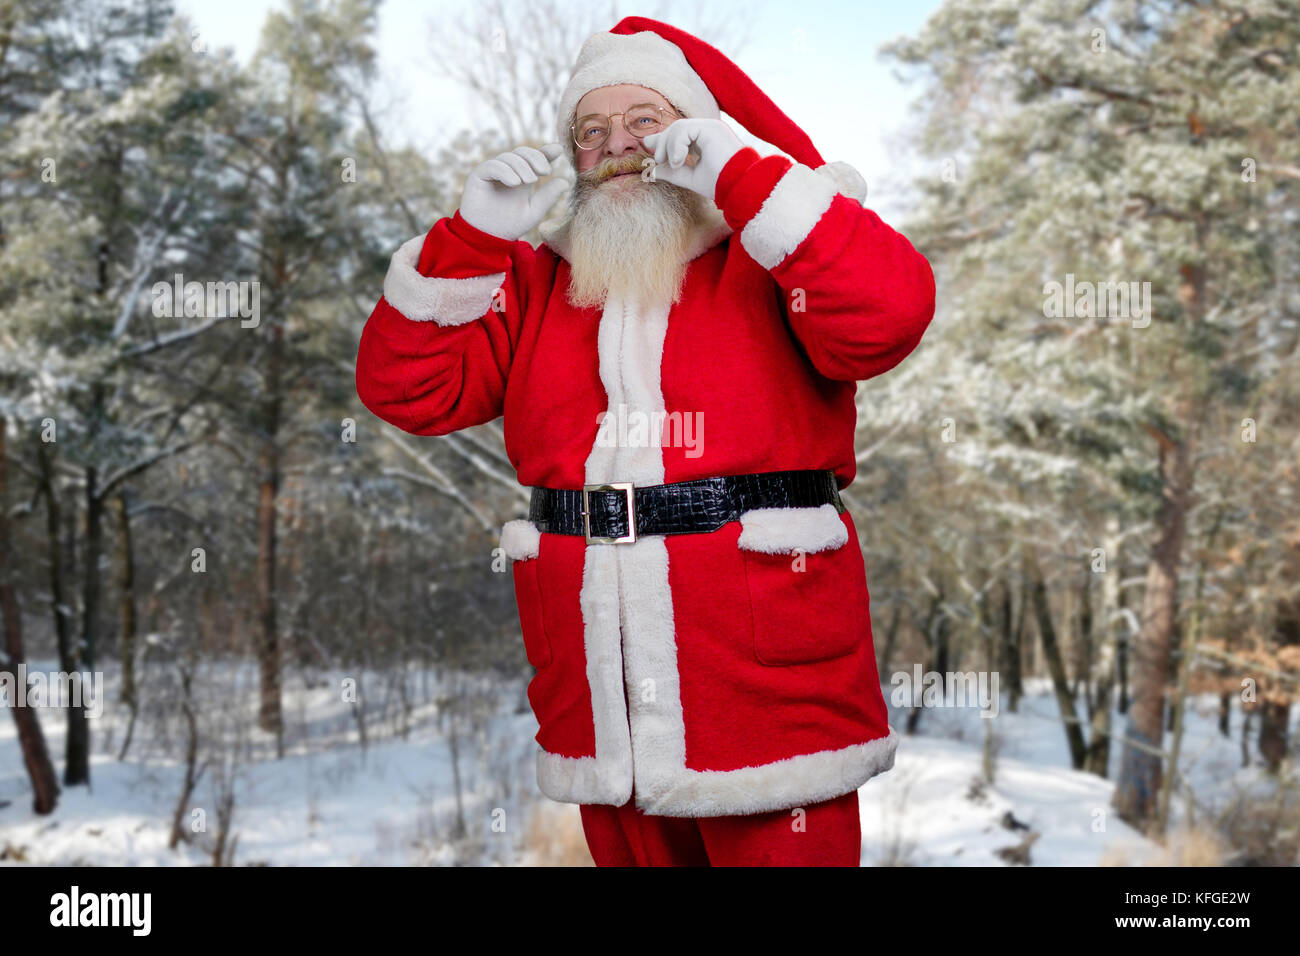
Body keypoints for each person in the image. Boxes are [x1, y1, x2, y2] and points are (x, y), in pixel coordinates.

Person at [354, 16, 936, 866]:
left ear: (697, 129)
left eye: (644, 120)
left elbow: (891, 315)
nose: (615, 144)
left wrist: (745, 175)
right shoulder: (541, 276)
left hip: (768, 688)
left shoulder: (773, 250)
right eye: (590, 130)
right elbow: (410, 390)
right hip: (602, 694)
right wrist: (473, 238)